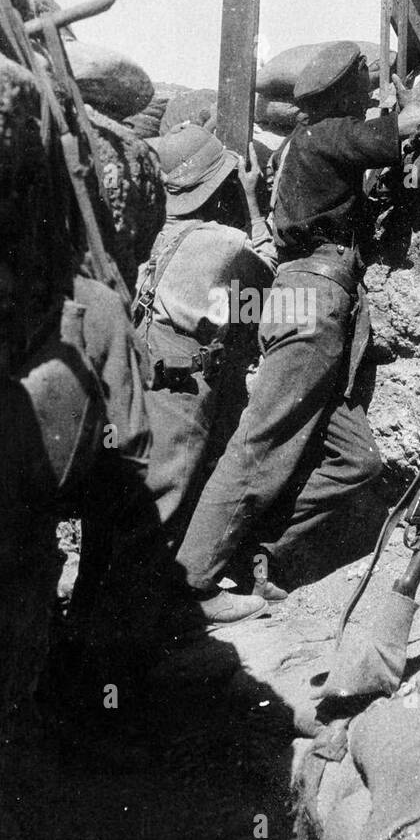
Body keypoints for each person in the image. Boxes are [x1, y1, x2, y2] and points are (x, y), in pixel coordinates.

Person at [174, 41, 420, 604]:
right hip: (313, 300)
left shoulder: (296, 147)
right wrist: (414, 100)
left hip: (299, 295)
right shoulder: (328, 135)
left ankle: (259, 552)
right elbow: (412, 125)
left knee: (356, 459)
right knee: (260, 446)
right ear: (347, 93)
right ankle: (191, 580)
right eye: (363, 91)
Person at [135, 122, 278, 623]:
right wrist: (256, 205)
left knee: (144, 494)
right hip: (183, 384)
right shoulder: (220, 242)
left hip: (148, 374)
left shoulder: (161, 232)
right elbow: (267, 275)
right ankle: (155, 619)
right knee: (167, 497)